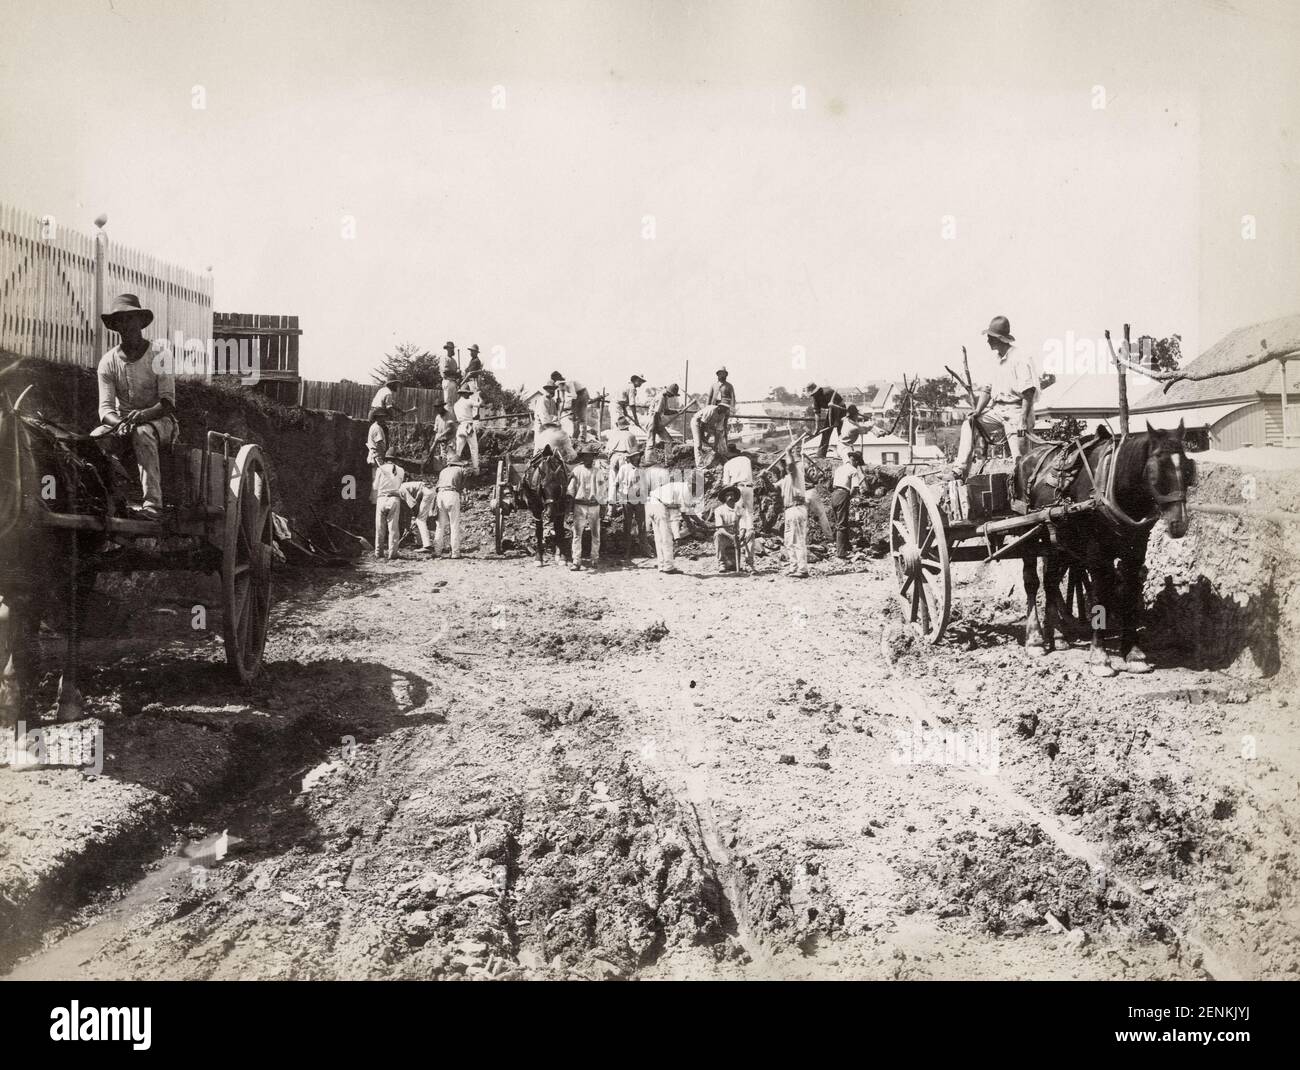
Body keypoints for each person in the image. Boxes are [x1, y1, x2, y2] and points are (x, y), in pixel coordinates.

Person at [93, 293, 177, 519]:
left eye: (131, 319)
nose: (126, 325)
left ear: (141, 321)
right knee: (95, 438)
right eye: (120, 320)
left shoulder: (160, 354)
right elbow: (105, 408)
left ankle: (152, 504)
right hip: (123, 422)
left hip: (160, 422)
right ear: (115, 326)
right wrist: (119, 423)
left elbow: (167, 403)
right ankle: (105, 500)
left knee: (142, 433)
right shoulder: (108, 362)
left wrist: (141, 417)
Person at [954, 315, 1039, 479]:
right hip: (997, 410)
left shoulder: (1020, 358)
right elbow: (987, 389)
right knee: (970, 423)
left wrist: (1023, 420)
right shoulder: (995, 360)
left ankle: (1024, 493)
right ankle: (960, 471)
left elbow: (1028, 392)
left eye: (989, 337)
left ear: (999, 338)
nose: (987, 341)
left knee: (1020, 459)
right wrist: (977, 411)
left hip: (1017, 410)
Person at [646, 473, 696, 574]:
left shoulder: (679, 486)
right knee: (666, 537)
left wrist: (697, 524)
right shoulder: (685, 488)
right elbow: (685, 512)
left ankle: (662, 564)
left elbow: (686, 511)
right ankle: (668, 566)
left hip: (651, 503)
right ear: (691, 484)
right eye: (695, 486)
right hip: (658, 506)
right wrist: (693, 526)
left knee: (659, 538)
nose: (695, 490)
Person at [775, 448, 809, 578]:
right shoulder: (786, 479)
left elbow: (791, 465)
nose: (783, 466)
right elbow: (773, 488)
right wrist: (764, 478)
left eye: (785, 463)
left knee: (798, 540)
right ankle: (793, 567)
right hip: (789, 510)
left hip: (797, 508)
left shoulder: (796, 473)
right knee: (789, 542)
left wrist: (788, 453)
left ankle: (802, 569)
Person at [566, 444, 601, 571]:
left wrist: (599, 499)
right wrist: (570, 500)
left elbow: (602, 488)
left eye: (590, 456)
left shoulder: (598, 471)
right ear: (583, 457)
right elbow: (571, 488)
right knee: (577, 533)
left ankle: (594, 559)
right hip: (580, 505)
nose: (588, 459)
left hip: (594, 506)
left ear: (593, 458)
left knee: (596, 533)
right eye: (586, 456)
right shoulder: (577, 470)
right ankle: (576, 560)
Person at [830, 451, 866, 559]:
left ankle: (846, 547)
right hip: (843, 494)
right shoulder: (853, 470)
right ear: (854, 460)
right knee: (842, 524)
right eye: (857, 463)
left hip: (834, 494)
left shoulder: (839, 469)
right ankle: (841, 553)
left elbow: (834, 484)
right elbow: (854, 488)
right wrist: (850, 497)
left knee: (839, 522)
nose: (857, 465)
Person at [433, 449, 468, 558]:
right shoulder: (460, 469)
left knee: (440, 525)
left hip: (440, 495)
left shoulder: (443, 471)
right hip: (452, 494)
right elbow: (463, 484)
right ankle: (455, 553)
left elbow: (437, 486)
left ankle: (437, 551)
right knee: (454, 524)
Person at [713, 484, 754, 575]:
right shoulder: (719, 510)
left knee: (751, 533)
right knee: (717, 534)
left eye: (732, 495)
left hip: (739, 537)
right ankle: (721, 563)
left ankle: (749, 564)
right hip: (727, 537)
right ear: (724, 497)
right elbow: (720, 527)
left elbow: (743, 523)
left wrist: (742, 533)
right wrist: (731, 536)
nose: (731, 497)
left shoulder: (740, 510)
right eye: (728, 495)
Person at [616, 449, 649, 559]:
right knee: (628, 525)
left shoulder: (642, 470)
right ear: (630, 458)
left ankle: (644, 550)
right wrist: (619, 498)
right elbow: (617, 483)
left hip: (640, 501)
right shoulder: (624, 469)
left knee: (642, 525)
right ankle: (627, 551)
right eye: (634, 456)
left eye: (638, 456)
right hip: (628, 500)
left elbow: (645, 486)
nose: (637, 458)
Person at [530, 381, 575, 461]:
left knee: (558, 447)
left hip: (551, 430)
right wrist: (555, 421)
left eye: (553, 389)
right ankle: (535, 464)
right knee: (540, 452)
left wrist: (558, 408)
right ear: (546, 389)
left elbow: (557, 418)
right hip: (542, 431)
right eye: (550, 389)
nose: (552, 391)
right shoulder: (542, 400)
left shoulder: (553, 401)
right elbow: (545, 420)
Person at [373, 457, 407, 560]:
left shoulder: (380, 469)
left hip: (381, 499)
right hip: (394, 499)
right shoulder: (401, 470)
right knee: (393, 528)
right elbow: (401, 486)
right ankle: (393, 553)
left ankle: (379, 552)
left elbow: (375, 487)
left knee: (380, 527)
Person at [807, 383, 847, 459]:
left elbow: (836, 406)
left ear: (817, 391)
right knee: (825, 432)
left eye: (813, 394)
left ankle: (843, 454)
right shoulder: (816, 398)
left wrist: (836, 421)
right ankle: (821, 454)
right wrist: (817, 427)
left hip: (840, 409)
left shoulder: (828, 392)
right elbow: (817, 414)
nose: (813, 396)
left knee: (841, 433)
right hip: (831, 411)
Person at [401, 474, 438, 553]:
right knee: (420, 519)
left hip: (427, 491)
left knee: (420, 520)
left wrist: (414, 518)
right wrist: (407, 527)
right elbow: (409, 510)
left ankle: (427, 546)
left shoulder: (401, 489)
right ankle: (420, 543)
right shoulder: (404, 488)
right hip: (429, 491)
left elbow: (413, 504)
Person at [691, 400, 732, 468]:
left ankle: (722, 454)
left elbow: (718, 431)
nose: (726, 410)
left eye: (727, 409)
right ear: (720, 407)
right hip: (697, 422)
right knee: (698, 444)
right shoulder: (711, 410)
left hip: (708, 424)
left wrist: (715, 446)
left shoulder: (722, 415)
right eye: (725, 408)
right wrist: (703, 437)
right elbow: (702, 425)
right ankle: (700, 465)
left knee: (721, 434)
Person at [551, 371, 590, 439]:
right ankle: (575, 436)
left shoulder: (569, 383)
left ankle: (583, 437)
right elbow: (563, 401)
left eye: (559, 385)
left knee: (581, 416)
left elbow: (574, 396)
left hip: (583, 393)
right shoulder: (560, 387)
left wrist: (574, 410)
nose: (559, 387)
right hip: (576, 396)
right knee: (575, 418)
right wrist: (559, 416)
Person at [721, 444, 756, 516]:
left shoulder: (727, 464)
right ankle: (750, 527)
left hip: (738, 488)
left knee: (739, 512)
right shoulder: (746, 460)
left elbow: (726, 484)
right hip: (749, 487)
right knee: (749, 512)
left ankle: (742, 527)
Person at [647, 383, 682, 453]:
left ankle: (668, 461)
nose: (672, 396)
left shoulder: (665, 397)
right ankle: (649, 460)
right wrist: (656, 426)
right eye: (672, 395)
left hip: (657, 419)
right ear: (669, 392)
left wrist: (677, 411)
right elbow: (656, 413)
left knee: (668, 440)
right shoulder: (661, 397)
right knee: (651, 442)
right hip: (653, 419)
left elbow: (666, 412)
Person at [453, 385, 480, 474]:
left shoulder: (456, 404)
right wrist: (480, 396)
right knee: (474, 449)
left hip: (460, 426)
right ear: (464, 393)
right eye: (468, 393)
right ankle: (476, 470)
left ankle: (454, 469)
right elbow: (481, 404)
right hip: (468, 426)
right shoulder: (468, 401)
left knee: (458, 449)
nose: (469, 395)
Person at [365, 408, 389, 504]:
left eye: (384, 417)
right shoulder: (377, 428)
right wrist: (382, 458)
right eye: (382, 418)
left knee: (376, 478)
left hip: (376, 455)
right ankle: (374, 501)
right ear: (377, 418)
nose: (384, 420)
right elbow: (379, 444)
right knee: (377, 478)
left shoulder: (376, 427)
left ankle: (373, 499)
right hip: (377, 455)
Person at [605, 415, 638, 485]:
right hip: (625, 457)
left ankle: (612, 495)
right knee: (624, 480)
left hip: (614, 457)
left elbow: (607, 450)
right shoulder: (631, 435)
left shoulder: (613, 435)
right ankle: (624, 494)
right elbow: (635, 451)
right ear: (627, 426)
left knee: (613, 480)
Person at [439, 342, 460, 410]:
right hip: (447, 381)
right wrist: (456, 373)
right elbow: (446, 371)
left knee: (454, 402)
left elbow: (456, 375)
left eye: (453, 348)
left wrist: (458, 374)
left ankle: (452, 419)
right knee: (447, 402)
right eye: (451, 348)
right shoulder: (444, 358)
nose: (452, 350)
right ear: (447, 349)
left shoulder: (454, 361)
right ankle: (448, 419)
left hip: (454, 382)